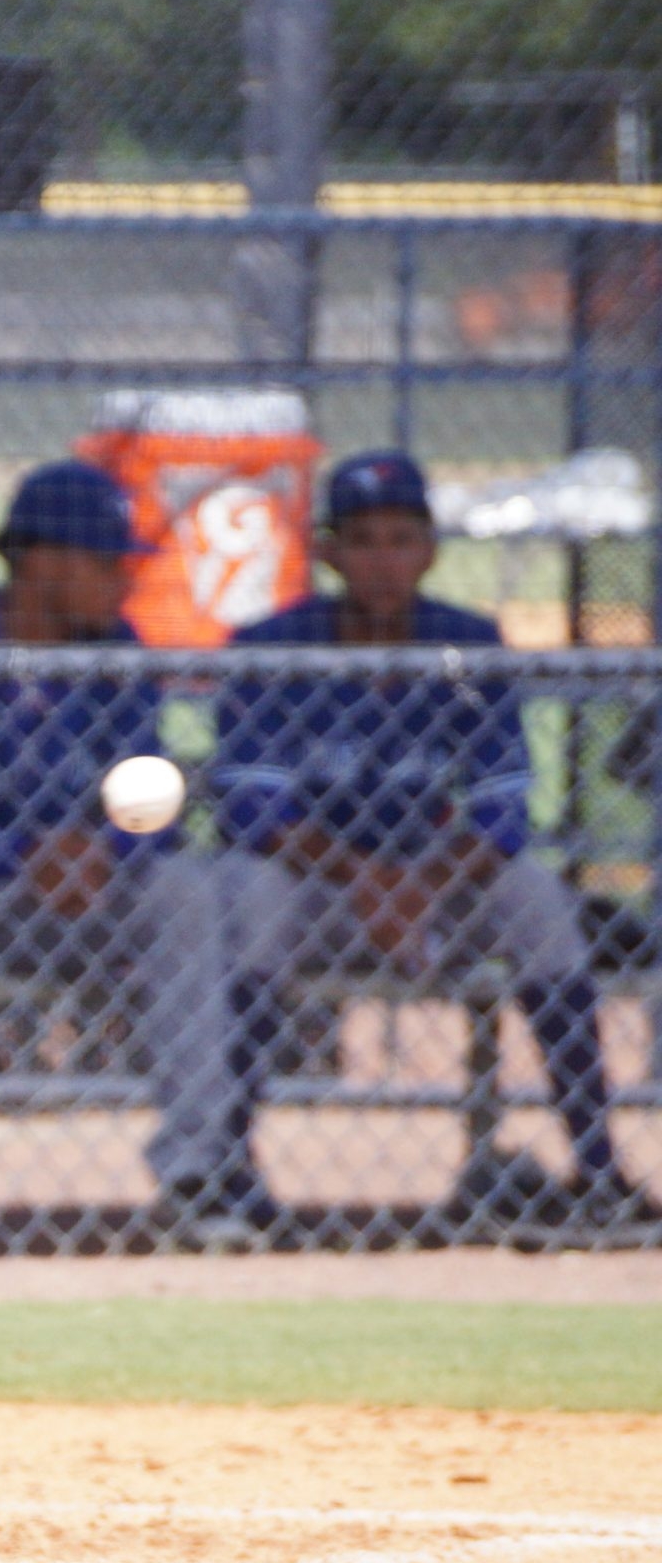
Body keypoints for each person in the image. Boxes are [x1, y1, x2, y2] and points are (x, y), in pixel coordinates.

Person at [213, 450, 660, 1236]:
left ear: (429, 549)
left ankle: (598, 1167)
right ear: (329, 551)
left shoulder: (466, 642)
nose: (383, 561)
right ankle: (228, 1170)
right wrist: (368, 881)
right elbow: (254, 809)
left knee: (535, 896)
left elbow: (501, 808)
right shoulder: (275, 642)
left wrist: (415, 884)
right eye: (363, 540)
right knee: (252, 895)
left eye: (401, 539)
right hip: (320, 889)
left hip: (436, 888)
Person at [0, 461, 252, 1247]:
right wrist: (17, 854)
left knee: (185, 891)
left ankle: (198, 1174)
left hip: (88, 899)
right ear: (40, 560)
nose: (121, 583)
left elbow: (151, 798)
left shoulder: (117, 651)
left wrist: (105, 852)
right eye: (105, 563)